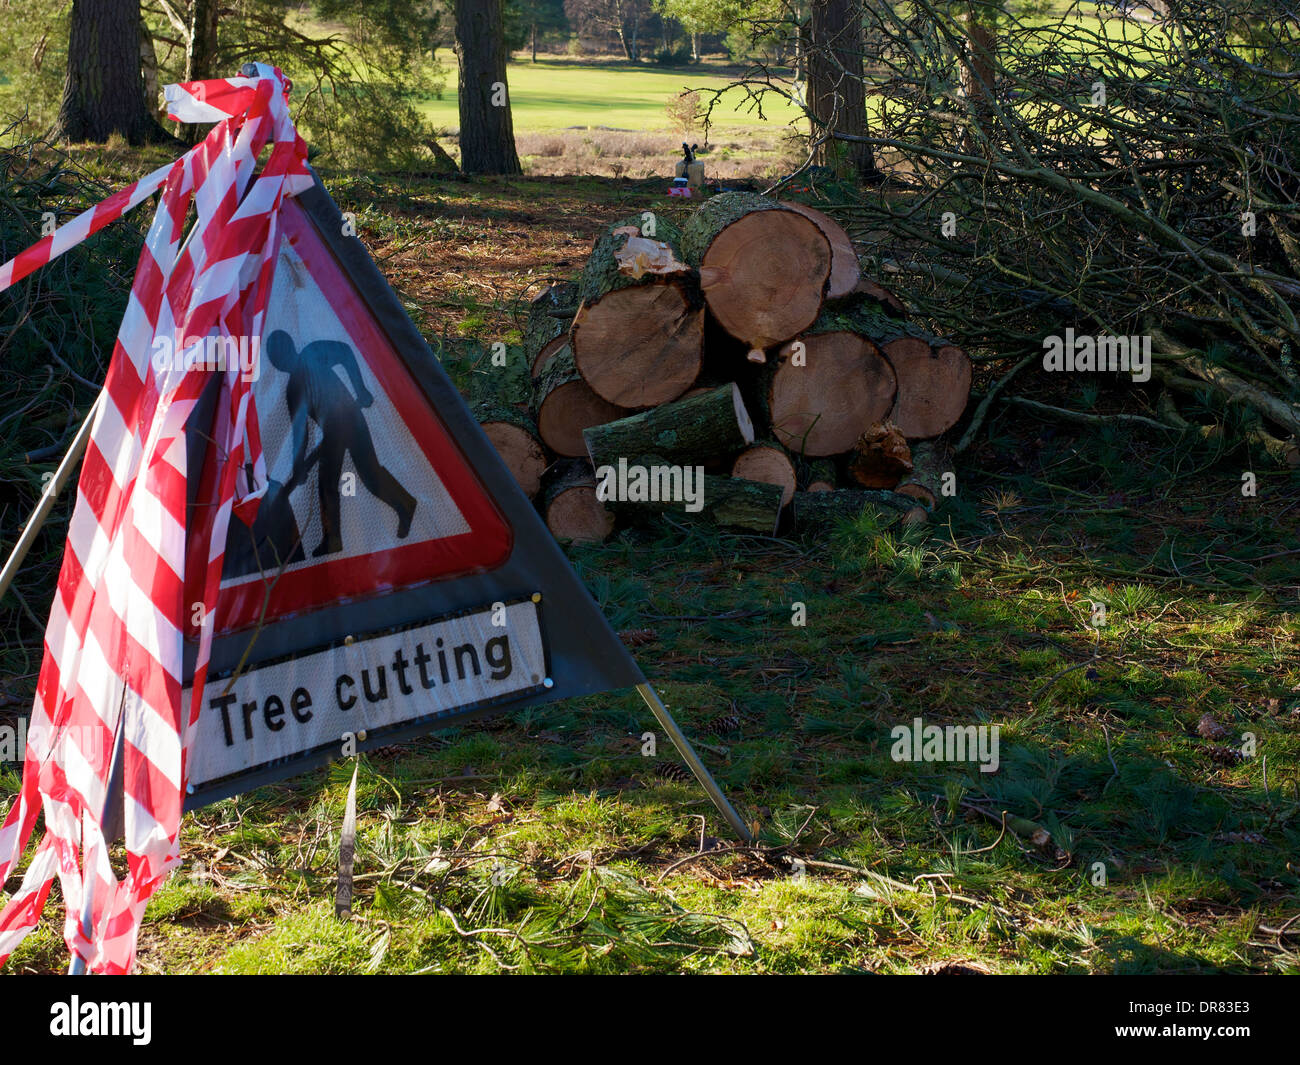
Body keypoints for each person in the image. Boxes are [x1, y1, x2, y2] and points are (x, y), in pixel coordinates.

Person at [264, 329, 416, 557]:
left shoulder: (312, 353)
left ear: (288, 350)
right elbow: (300, 433)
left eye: (278, 356)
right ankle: (332, 538)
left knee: (370, 476)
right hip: (332, 432)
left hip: (352, 418)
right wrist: (298, 467)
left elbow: (345, 352)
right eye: (275, 360)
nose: (278, 363)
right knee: (328, 484)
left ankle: (405, 503)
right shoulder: (293, 389)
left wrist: (360, 388)